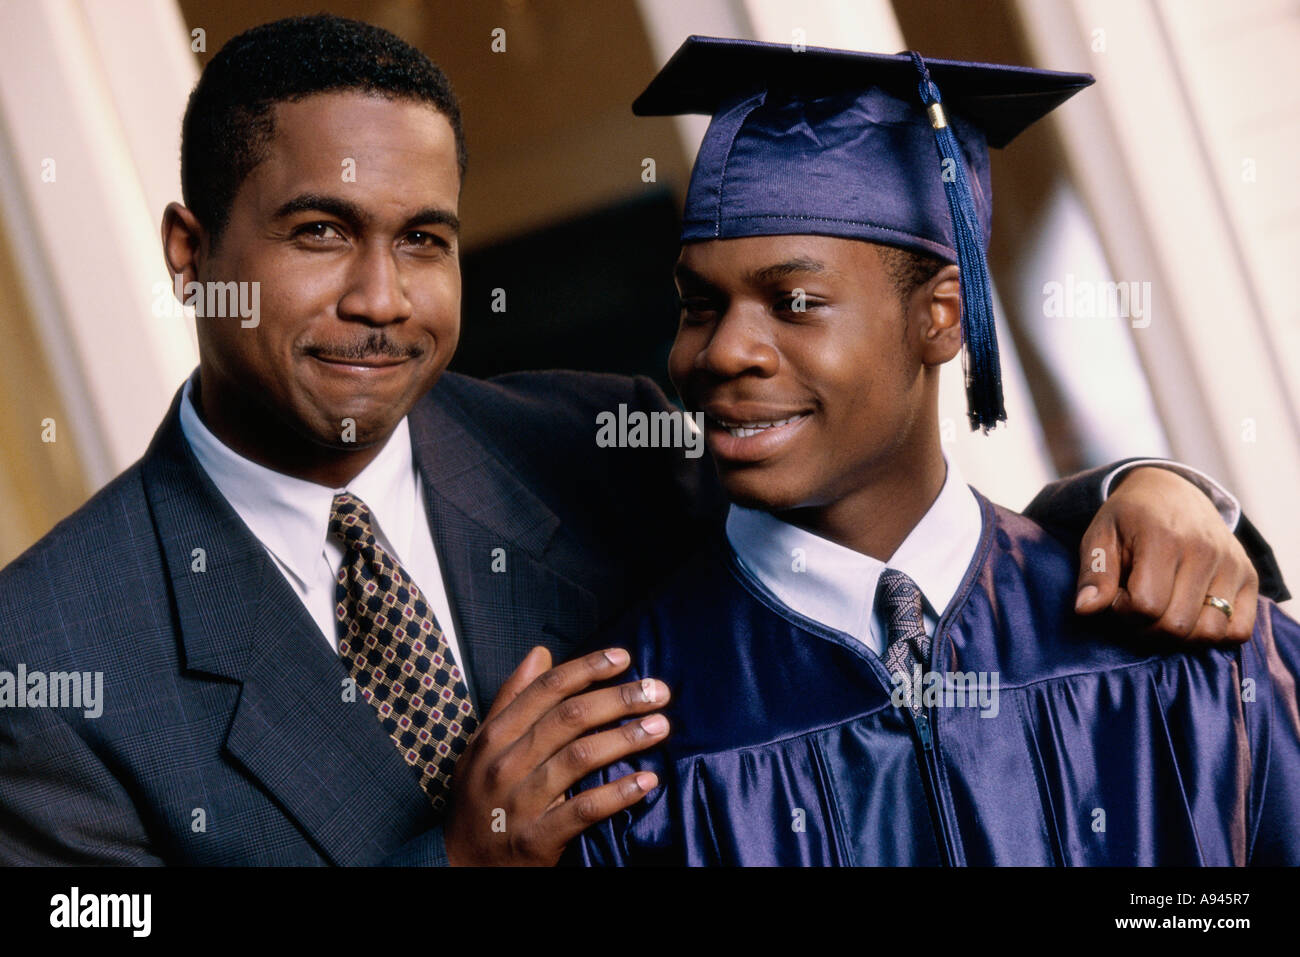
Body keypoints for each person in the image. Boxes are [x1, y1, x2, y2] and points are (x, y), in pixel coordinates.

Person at [0, 17, 1282, 867]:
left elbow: (876, 504)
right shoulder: (50, 668)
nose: (382, 299)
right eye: (319, 233)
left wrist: (1149, 492)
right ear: (192, 254)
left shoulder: (598, 447)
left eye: (427, 240)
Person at [573, 37, 1300, 865]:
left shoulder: (1175, 636)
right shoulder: (632, 738)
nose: (722, 351)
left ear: (943, 317)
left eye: (794, 300)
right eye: (700, 305)